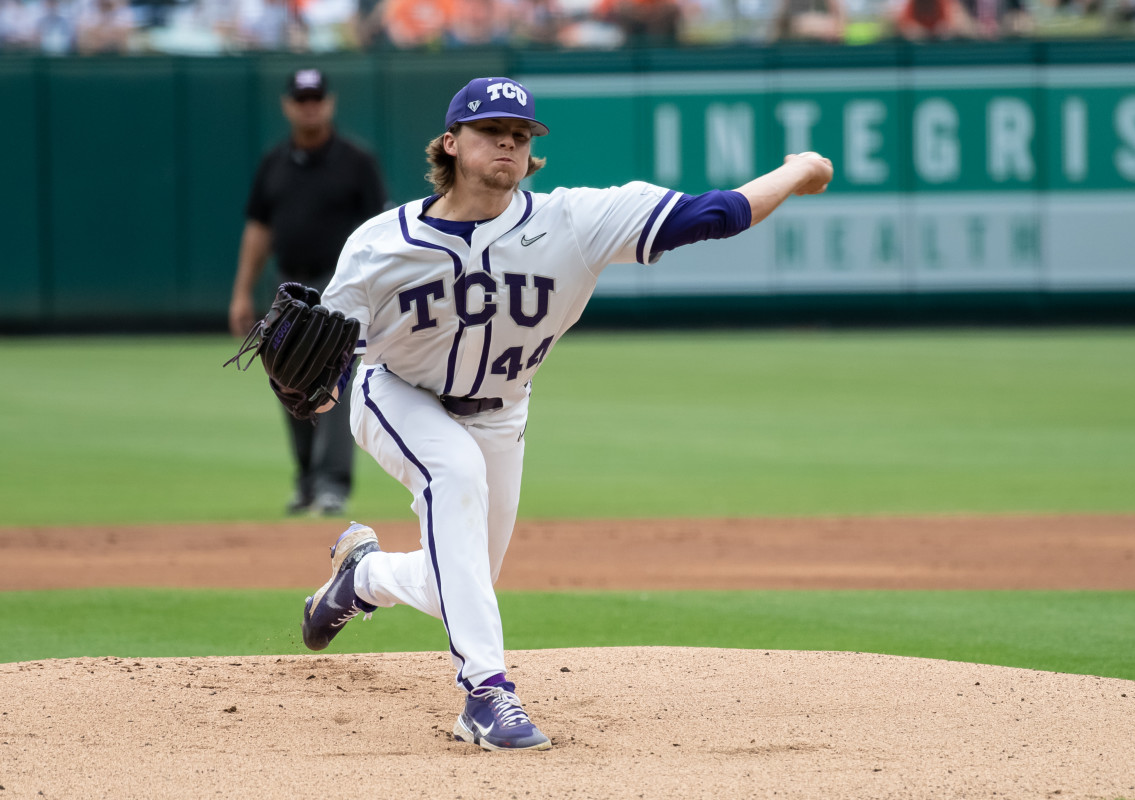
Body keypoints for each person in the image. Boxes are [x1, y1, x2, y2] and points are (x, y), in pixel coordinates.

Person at [298, 76, 833, 751]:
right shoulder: (380, 244)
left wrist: (794, 171)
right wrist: (324, 386)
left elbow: (712, 215)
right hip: (397, 394)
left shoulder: (572, 221)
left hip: (502, 414)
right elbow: (332, 350)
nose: (509, 142)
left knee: (458, 582)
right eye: (492, 130)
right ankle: (487, 694)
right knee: (454, 476)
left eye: (520, 135)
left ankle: (364, 577)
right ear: (451, 143)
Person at [229, 68, 388, 516]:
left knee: (335, 382)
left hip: (342, 290)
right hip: (289, 288)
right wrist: (242, 292)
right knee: (287, 377)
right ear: (287, 105)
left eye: (316, 97)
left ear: (329, 102)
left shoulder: (358, 161)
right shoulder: (273, 163)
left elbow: (382, 230)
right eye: (302, 99)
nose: (310, 106)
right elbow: (258, 229)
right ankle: (305, 480)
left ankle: (332, 483)